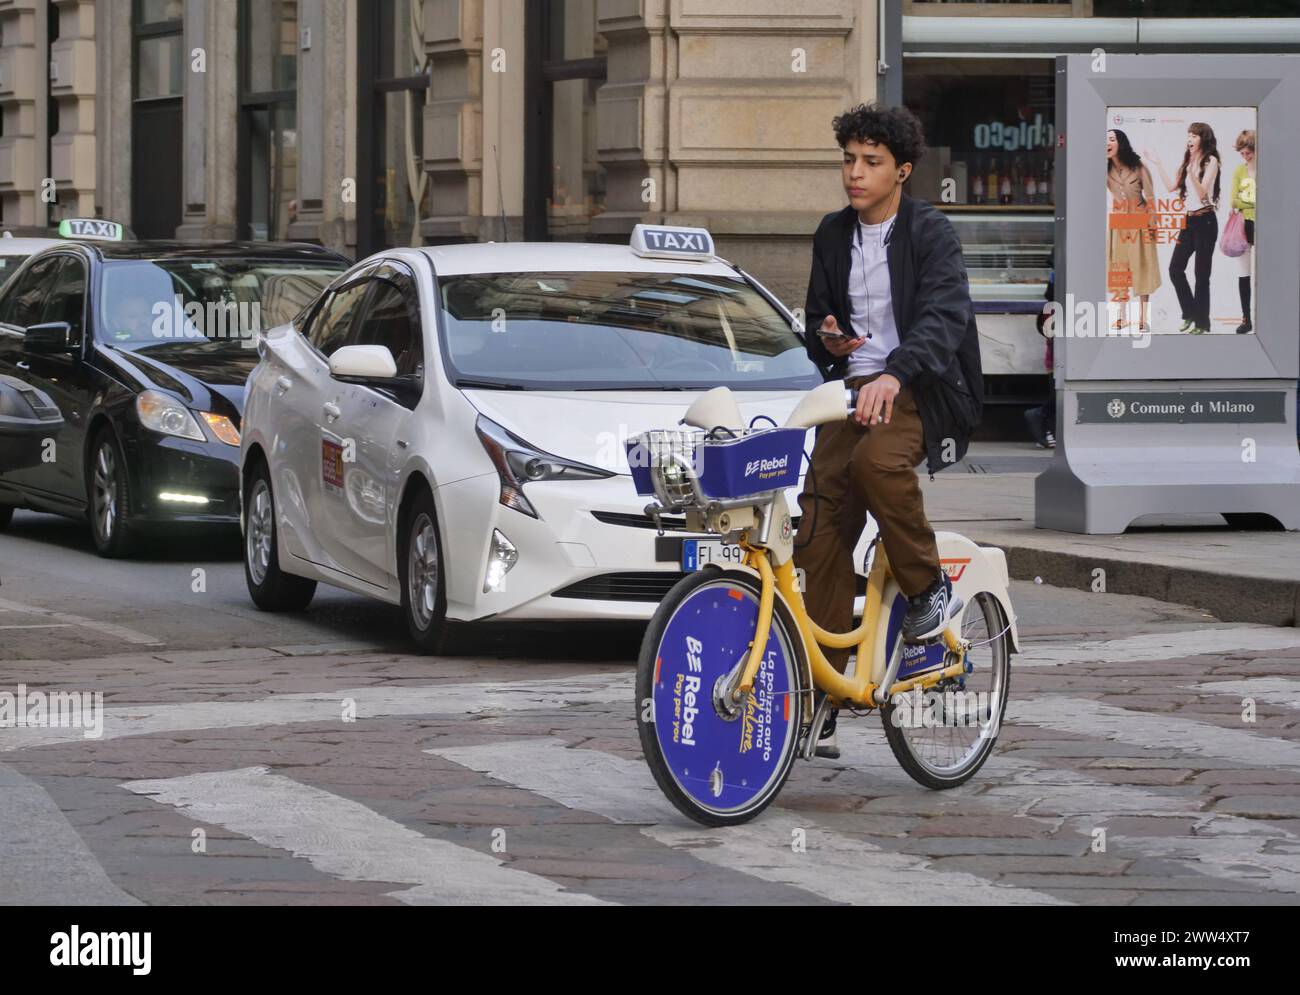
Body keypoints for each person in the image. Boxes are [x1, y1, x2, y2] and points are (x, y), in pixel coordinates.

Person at [796, 103, 982, 758]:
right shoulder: (830, 233)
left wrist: (892, 375)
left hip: (922, 388)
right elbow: (817, 314)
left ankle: (928, 592)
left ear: (901, 170)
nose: (855, 172)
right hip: (851, 391)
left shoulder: (930, 232)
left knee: (878, 463)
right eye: (848, 159)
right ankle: (819, 690)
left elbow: (944, 318)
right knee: (817, 525)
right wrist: (827, 337)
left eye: (870, 162)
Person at [1148, 123, 1221, 335]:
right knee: (1175, 269)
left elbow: (1201, 193)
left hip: (1206, 221)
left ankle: (1202, 323)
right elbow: (1172, 187)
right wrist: (1157, 162)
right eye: (1188, 135)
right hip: (1188, 222)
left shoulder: (1211, 161)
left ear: (1203, 139)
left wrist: (1191, 172)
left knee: (1201, 275)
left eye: (1194, 136)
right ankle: (1189, 313)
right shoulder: (1188, 160)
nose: (1190, 139)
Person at [1105, 129, 1161, 333]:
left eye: (1111, 139)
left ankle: (1142, 319)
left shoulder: (1138, 166)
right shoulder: (1105, 168)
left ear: (1121, 142)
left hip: (1140, 222)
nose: (1107, 143)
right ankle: (1121, 316)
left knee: (1142, 269)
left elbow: (1151, 196)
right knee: (1120, 270)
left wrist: (1153, 225)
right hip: (1119, 224)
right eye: (1104, 141)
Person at [1229, 129, 1256, 334]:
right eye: (1243, 154)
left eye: (1249, 153)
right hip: (1244, 227)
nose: (1246, 157)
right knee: (1243, 274)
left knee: (1267, 274)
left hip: (1266, 227)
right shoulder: (1239, 171)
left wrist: (1244, 203)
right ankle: (1246, 318)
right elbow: (1233, 201)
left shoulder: (1267, 170)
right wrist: (1253, 203)